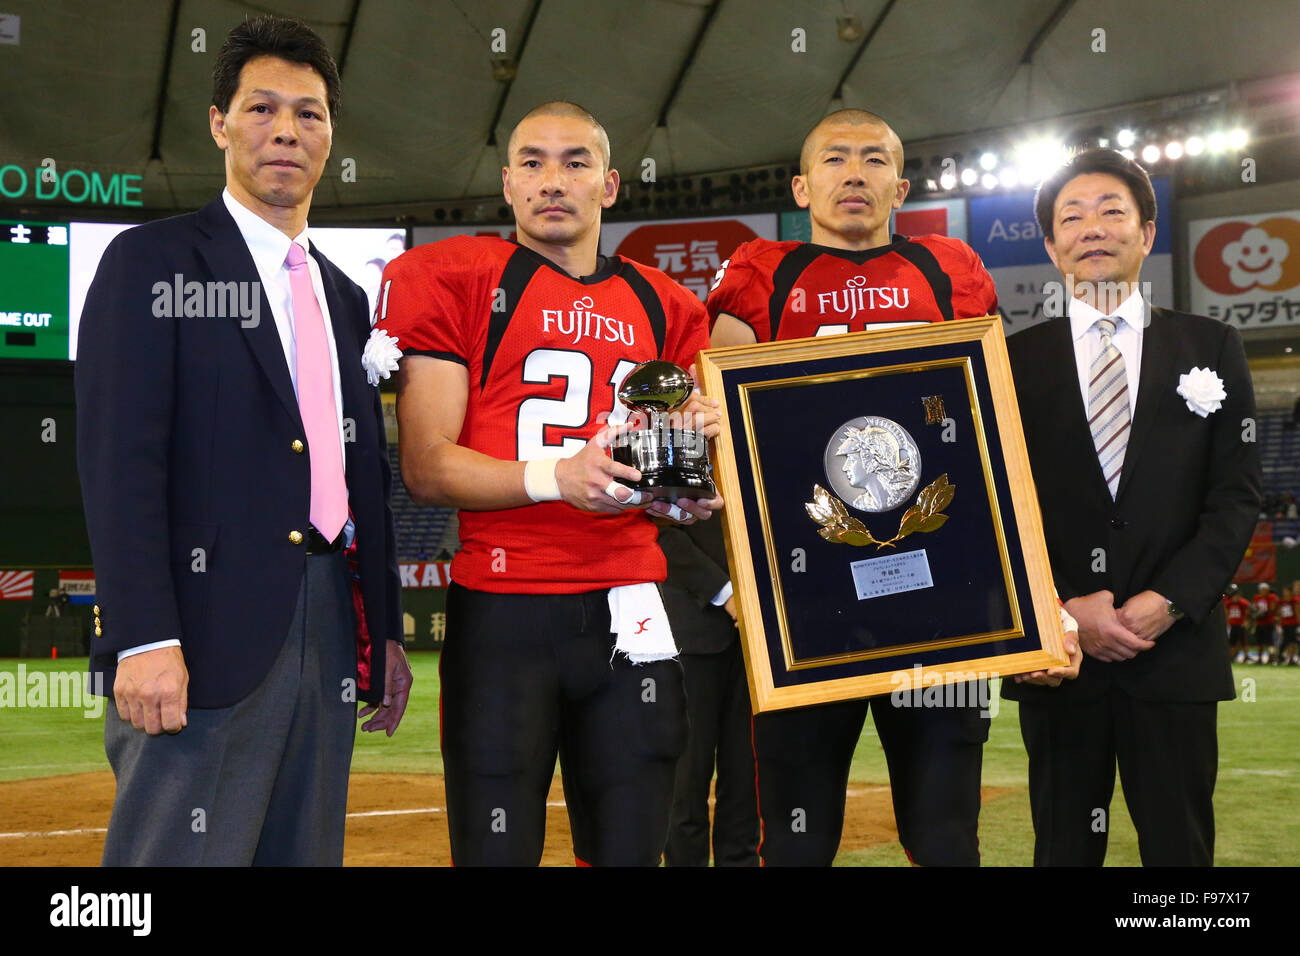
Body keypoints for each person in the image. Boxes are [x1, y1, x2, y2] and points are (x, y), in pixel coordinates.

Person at [75, 15, 410, 866]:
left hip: (329, 618)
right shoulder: (154, 263)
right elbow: (122, 463)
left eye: (310, 113)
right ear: (220, 123)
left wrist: (386, 630)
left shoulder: (342, 297)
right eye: (262, 109)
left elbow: (358, 470)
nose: (287, 131)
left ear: (331, 134)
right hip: (202, 624)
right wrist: (144, 636)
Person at [708, 108, 1081, 866]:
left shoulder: (948, 269)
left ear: (901, 185)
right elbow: (724, 443)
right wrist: (745, 587)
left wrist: (1039, 598)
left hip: (942, 608)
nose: (854, 173)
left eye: (873, 160)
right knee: (795, 835)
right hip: (807, 609)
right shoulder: (761, 273)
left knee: (945, 835)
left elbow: (995, 435)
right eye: (836, 159)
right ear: (801, 185)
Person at [375, 101, 722, 866]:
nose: (551, 180)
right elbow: (427, 465)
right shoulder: (458, 277)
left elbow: (668, 482)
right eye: (531, 162)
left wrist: (684, 490)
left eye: (574, 162)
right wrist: (556, 479)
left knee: (633, 845)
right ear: (506, 183)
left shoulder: (668, 308)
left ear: (610, 183)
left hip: (631, 605)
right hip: (505, 613)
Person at [1003, 148, 1261, 866]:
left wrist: (1166, 601)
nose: (1094, 228)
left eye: (1113, 211)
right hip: (1061, 656)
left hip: (1172, 651)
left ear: (1147, 234)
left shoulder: (1212, 346)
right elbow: (997, 504)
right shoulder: (1011, 362)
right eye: (1072, 217)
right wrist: (1061, 608)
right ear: (1052, 247)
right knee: (1063, 847)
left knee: (1180, 850)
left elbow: (1236, 496)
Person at [659, 519, 759, 866]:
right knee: (685, 787)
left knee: (747, 783)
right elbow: (656, 529)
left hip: (765, 640)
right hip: (691, 632)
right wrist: (728, 594)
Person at [1251, 582, 1279, 664]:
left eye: (1265, 589)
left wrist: (1262, 613)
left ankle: (1271, 658)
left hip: (1269, 622)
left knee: (1270, 642)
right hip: (1259, 623)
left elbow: (1272, 608)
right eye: (1262, 590)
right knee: (1260, 642)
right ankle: (1259, 658)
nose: (1264, 591)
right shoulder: (1256, 597)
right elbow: (1255, 608)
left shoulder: (1272, 597)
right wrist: (1256, 613)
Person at [1224, 583, 1251, 662]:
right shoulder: (1228, 603)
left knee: (1243, 642)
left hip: (1240, 625)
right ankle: (1231, 657)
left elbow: (1248, 612)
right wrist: (1227, 623)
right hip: (1232, 625)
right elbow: (1227, 613)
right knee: (1232, 642)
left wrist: (1246, 621)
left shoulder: (1242, 603)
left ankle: (1246, 656)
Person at [1278, 587, 1297, 665]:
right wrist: (1280, 623)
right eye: (1284, 592)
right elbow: (1280, 614)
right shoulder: (1282, 602)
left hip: (1293, 624)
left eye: (1286, 591)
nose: (1285, 593)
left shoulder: (1294, 601)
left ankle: (1291, 659)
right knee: (1285, 642)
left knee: (1292, 642)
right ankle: (1283, 657)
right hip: (1285, 625)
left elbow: (1297, 613)